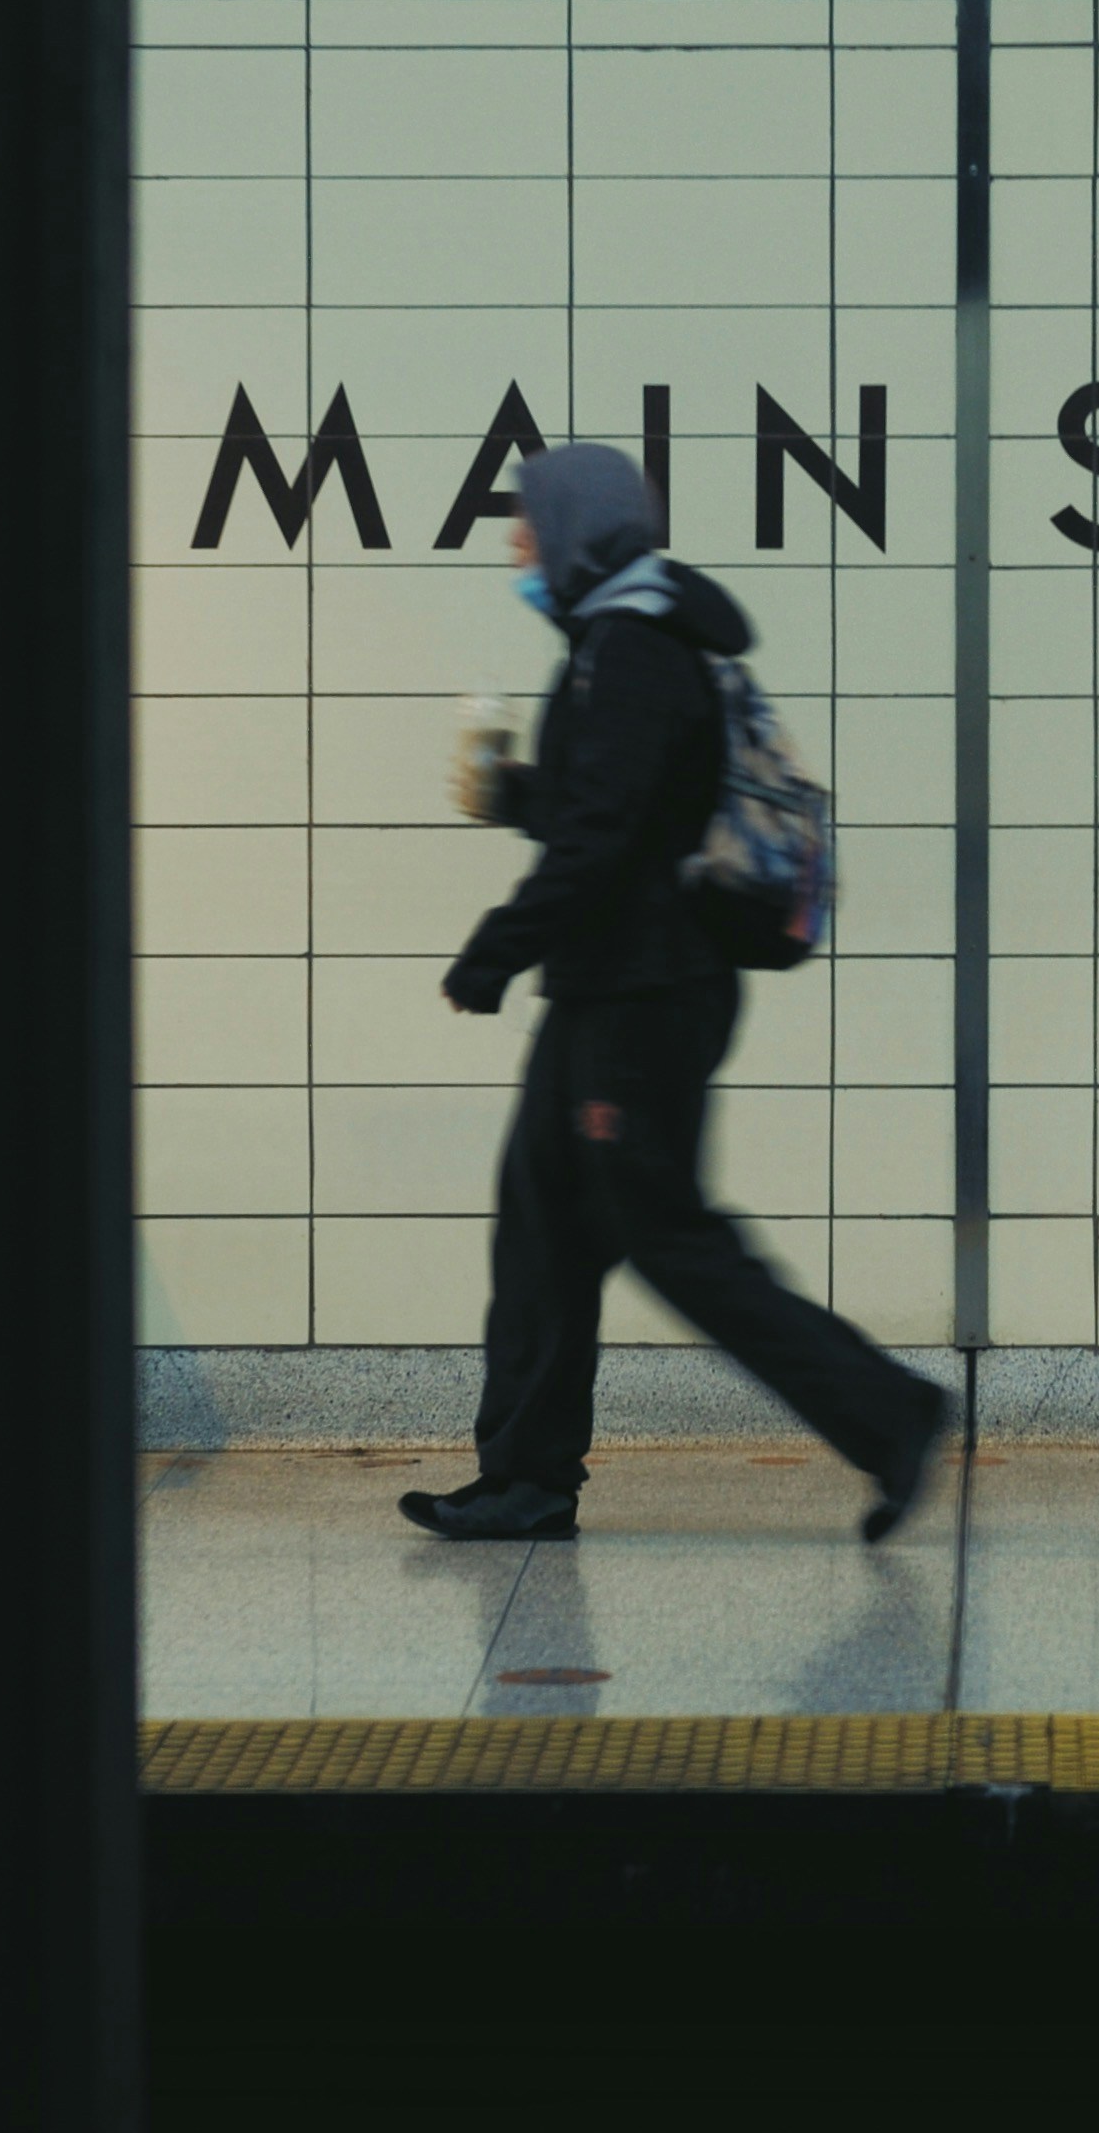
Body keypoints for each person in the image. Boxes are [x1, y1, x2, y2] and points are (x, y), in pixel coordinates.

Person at [404, 440, 949, 1546]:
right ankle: (524, 1476)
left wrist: (492, 950)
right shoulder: (624, 638)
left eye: (529, 524)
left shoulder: (634, 647)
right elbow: (624, 808)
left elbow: (606, 841)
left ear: (575, 530)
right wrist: (520, 790)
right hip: (612, 989)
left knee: (670, 1238)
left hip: (641, 999)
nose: (516, 543)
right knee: (542, 1233)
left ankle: (891, 1412)